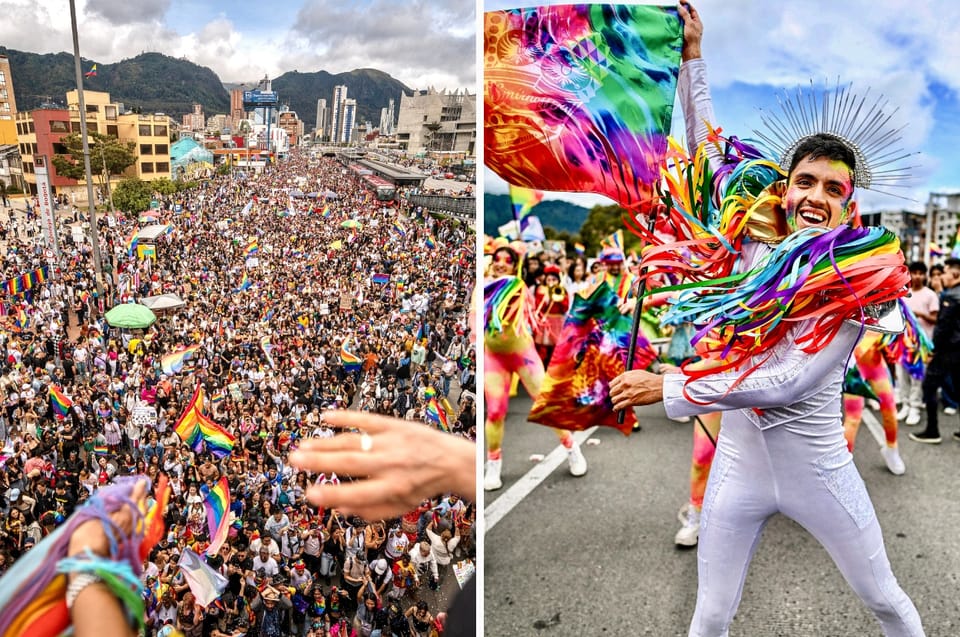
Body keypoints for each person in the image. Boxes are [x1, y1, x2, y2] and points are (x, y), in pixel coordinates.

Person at [609, 3, 924, 635]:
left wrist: (668, 385)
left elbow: (787, 380)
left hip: (820, 473)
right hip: (739, 471)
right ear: (785, 188)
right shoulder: (755, 244)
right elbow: (706, 159)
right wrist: (693, 55)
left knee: (886, 600)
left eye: (832, 189)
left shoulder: (857, 279)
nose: (815, 196)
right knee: (710, 616)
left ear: (849, 204)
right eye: (805, 182)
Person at [481, 242, 587, 491]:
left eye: (508, 260)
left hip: (522, 354)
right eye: (497, 258)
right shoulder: (483, 285)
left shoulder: (515, 285)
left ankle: (572, 447)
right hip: (493, 357)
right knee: (495, 412)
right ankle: (493, 462)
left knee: (546, 403)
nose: (500, 262)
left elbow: (502, 290)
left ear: (515, 266)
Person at [909, 257, 960, 444]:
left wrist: (933, 351)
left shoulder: (950, 297)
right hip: (956, 350)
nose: (941, 276)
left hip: (948, 351)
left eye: (945, 272)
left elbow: (942, 328)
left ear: (955, 274)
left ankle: (932, 431)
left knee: (929, 387)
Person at [896, 262, 939, 425]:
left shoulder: (930, 295)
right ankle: (905, 405)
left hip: (921, 345)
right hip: (903, 343)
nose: (917, 276)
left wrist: (919, 314)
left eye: (921, 273)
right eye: (914, 273)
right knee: (902, 376)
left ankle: (915, 407)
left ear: (925, 275)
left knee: (917, 377)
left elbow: (936, 318)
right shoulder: (904, 294)